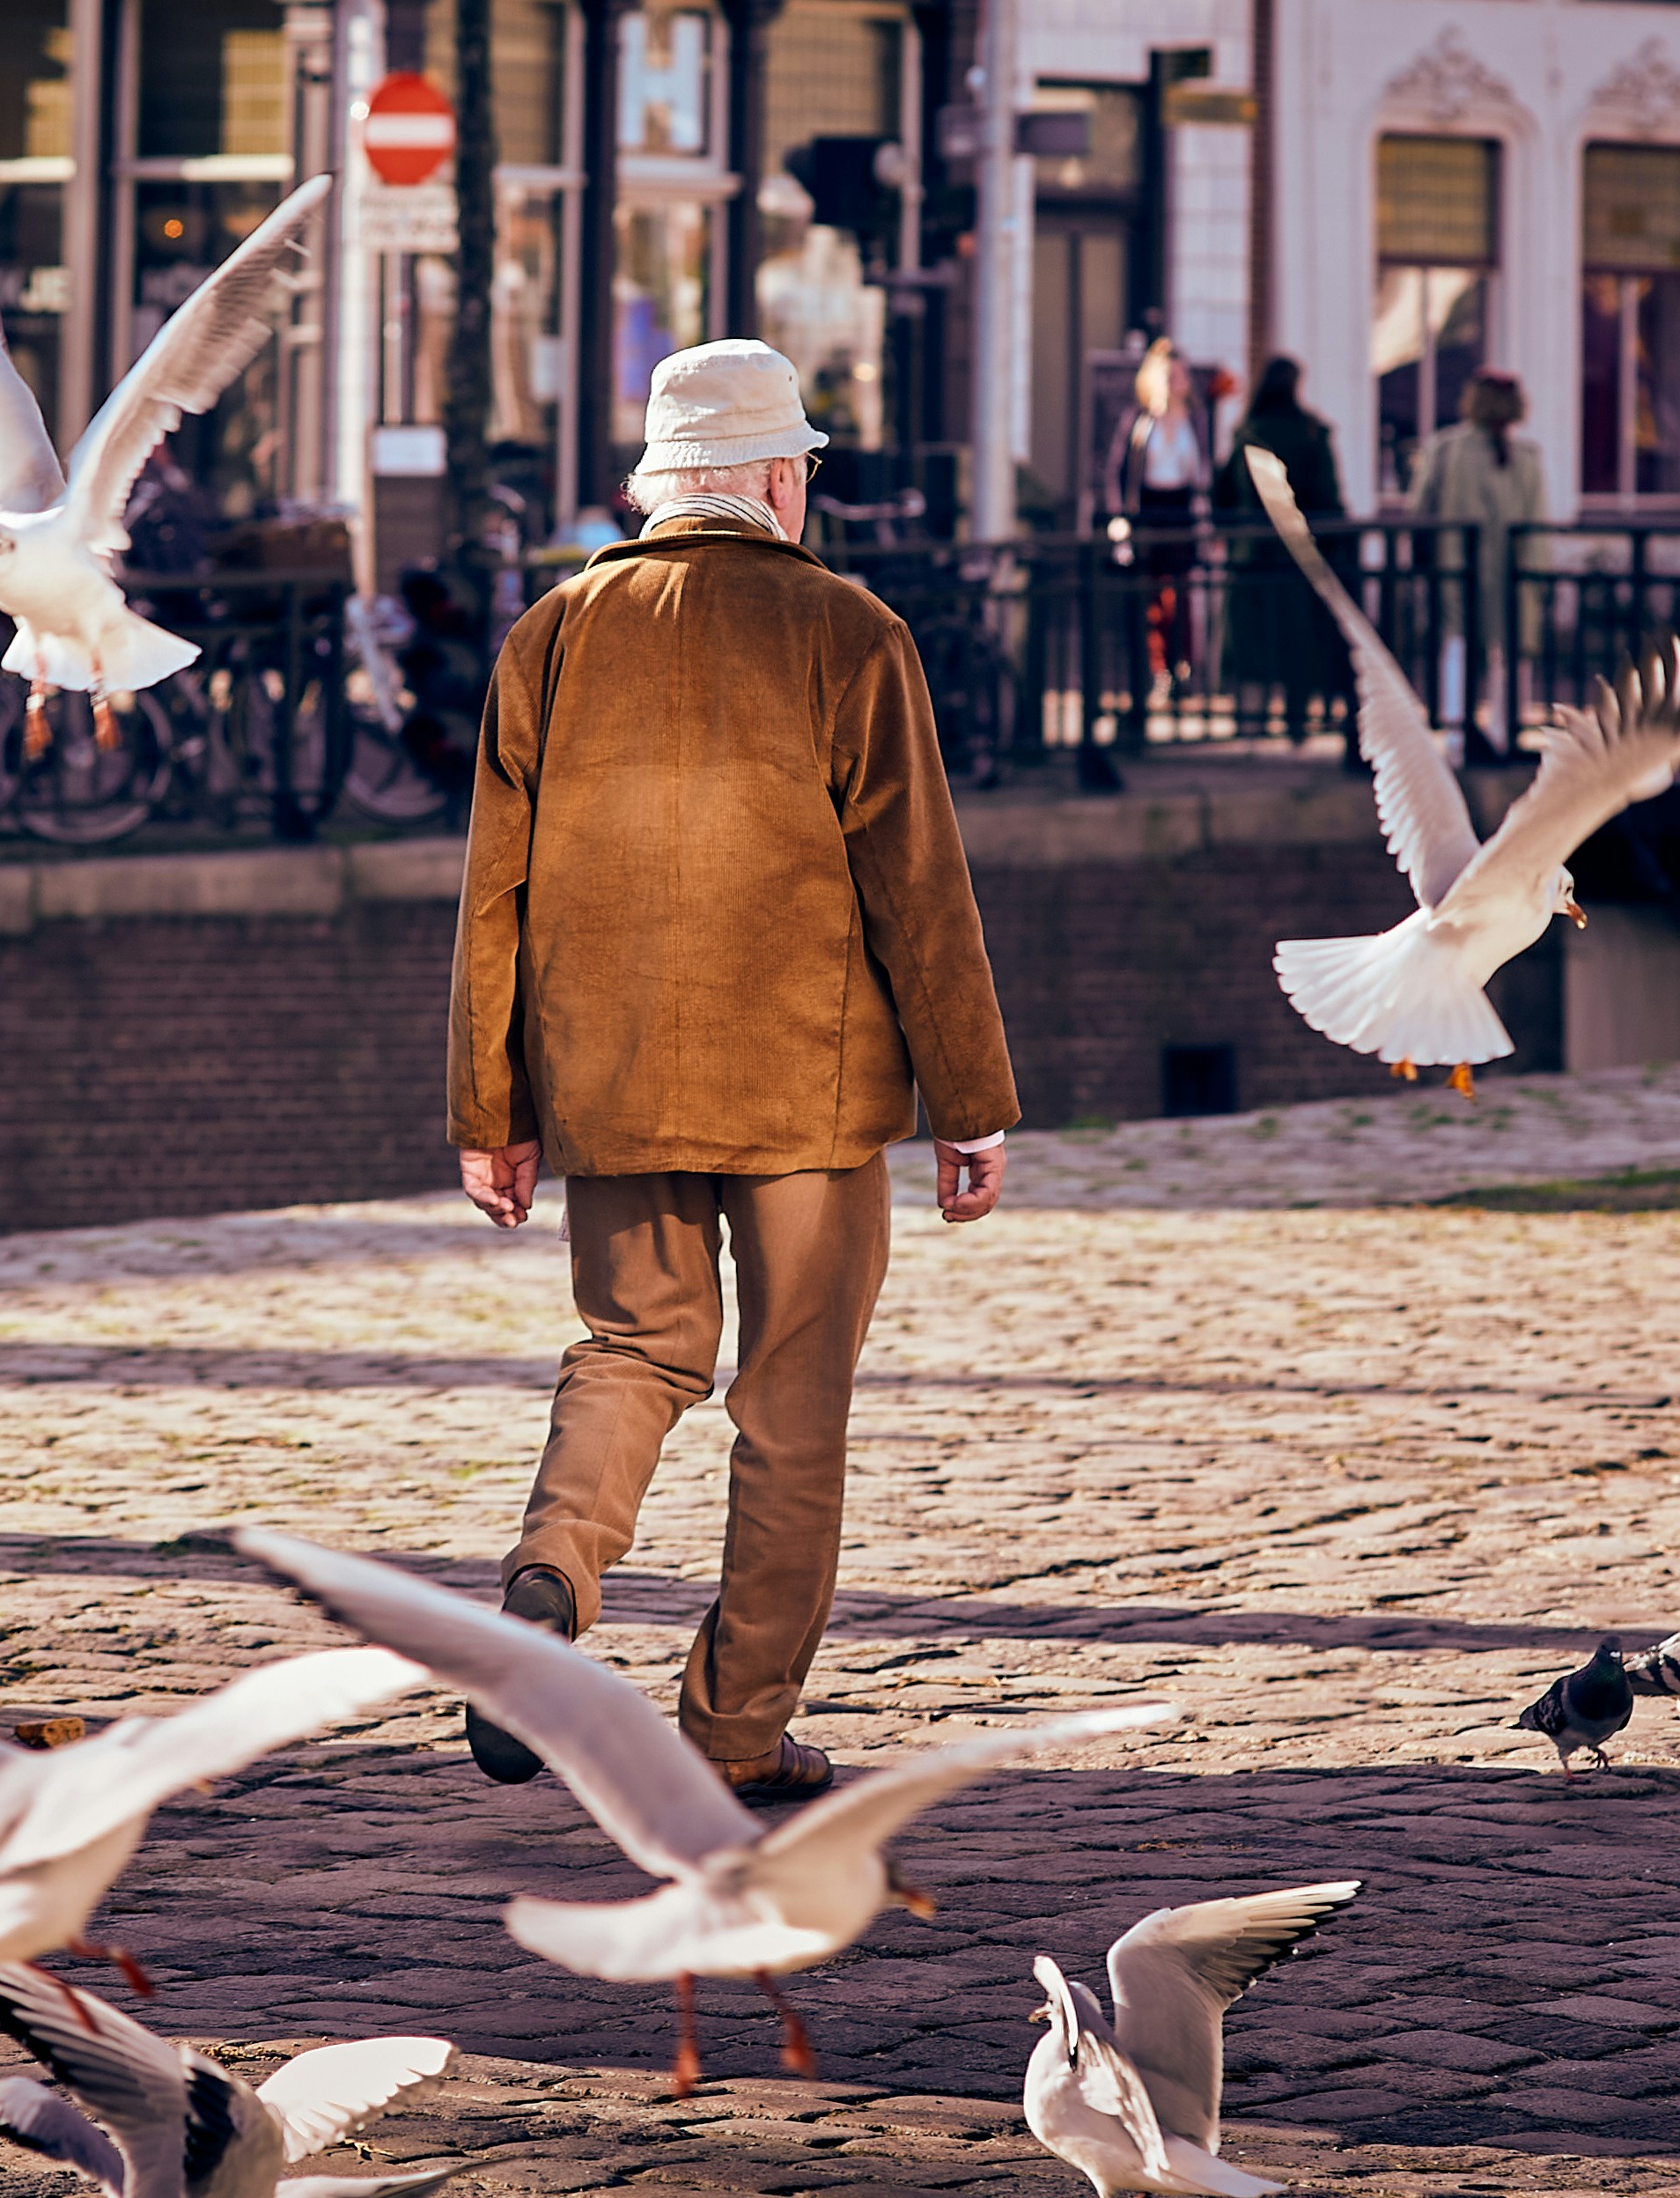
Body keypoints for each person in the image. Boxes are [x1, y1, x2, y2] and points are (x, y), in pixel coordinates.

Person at [448, 339, 1020, 1803]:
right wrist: (974, 1105)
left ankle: (552, 1582)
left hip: (616, 1083)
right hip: (808, 1099)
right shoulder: (851, 632)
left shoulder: (555, 635)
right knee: (790, 1405)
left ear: (661, 483)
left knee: (634, 1349)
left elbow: (493, 896)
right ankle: (736, 1730)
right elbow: (919, 889)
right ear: (779, 479)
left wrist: (491, 1111)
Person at [1210, 354, 1354, 739]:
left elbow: (1222, 494)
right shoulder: (1310, 433)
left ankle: (1250, 723)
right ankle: (1296, 722)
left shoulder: (1248, 432)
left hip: (1252, 555)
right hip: (1297, 554)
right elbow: (1327, 497)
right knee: (1297, 645)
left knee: (1251, 645)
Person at [1408, 366, 1546, 732]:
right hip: (1513, 569)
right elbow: (1538, 522)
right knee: (1511, 649)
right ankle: (1506, 731)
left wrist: (1422, 559)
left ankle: (1457, 733)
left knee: (1457, 644)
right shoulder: (1527, 457)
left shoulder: (1446, 449)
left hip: (1457, 563)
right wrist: (1539, 574)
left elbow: (1421, 511)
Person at [1106, 339, 1206, 695]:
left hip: (1182, 512)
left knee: (1181, 593)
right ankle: (1157, 670)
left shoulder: (1195, 418)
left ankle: (1184, 667)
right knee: (1152, 599)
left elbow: (1201, 472)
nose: (1174, 381)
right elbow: (1118, 471)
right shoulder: (1140, 420)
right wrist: (1119, 517)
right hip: (1148, 510)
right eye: (1168, 375)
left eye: (1179, 375)